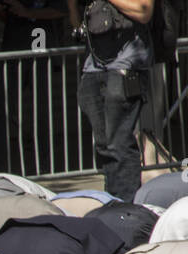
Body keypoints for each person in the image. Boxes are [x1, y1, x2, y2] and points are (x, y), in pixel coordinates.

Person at [74, 0, 158, 201]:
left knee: (119, 142)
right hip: (93, 67)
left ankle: (126, 208)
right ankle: (111, 202)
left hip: (125, 67)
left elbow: (144, 11)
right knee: (104, 145)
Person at [0, 0, 78, 175]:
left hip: (41, 57)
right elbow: (4, 15)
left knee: (42, 112)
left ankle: (44, 166)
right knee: (3, 110)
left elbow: (61, 10)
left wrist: (28, 12)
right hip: (13, 54)